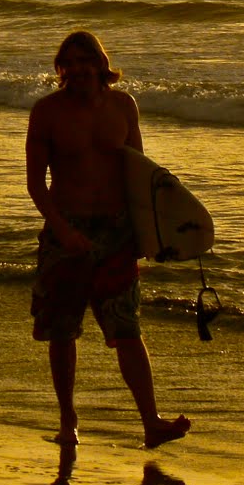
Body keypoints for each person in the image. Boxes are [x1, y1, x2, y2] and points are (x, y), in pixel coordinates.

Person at [25, 30, 190, 449]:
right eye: (70, 63)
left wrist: (144, 234)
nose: (79, 70)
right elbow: (35, 183)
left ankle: (151, 421)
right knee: (62, 331)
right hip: (66, 232)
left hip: (116, 232)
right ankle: (68, 420)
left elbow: (139, 175)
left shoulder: (124, 106)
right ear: (61, 68)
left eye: (87, 61)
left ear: (102, 64)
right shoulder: (46, 113)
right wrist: (62, 229)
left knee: (127, 327)